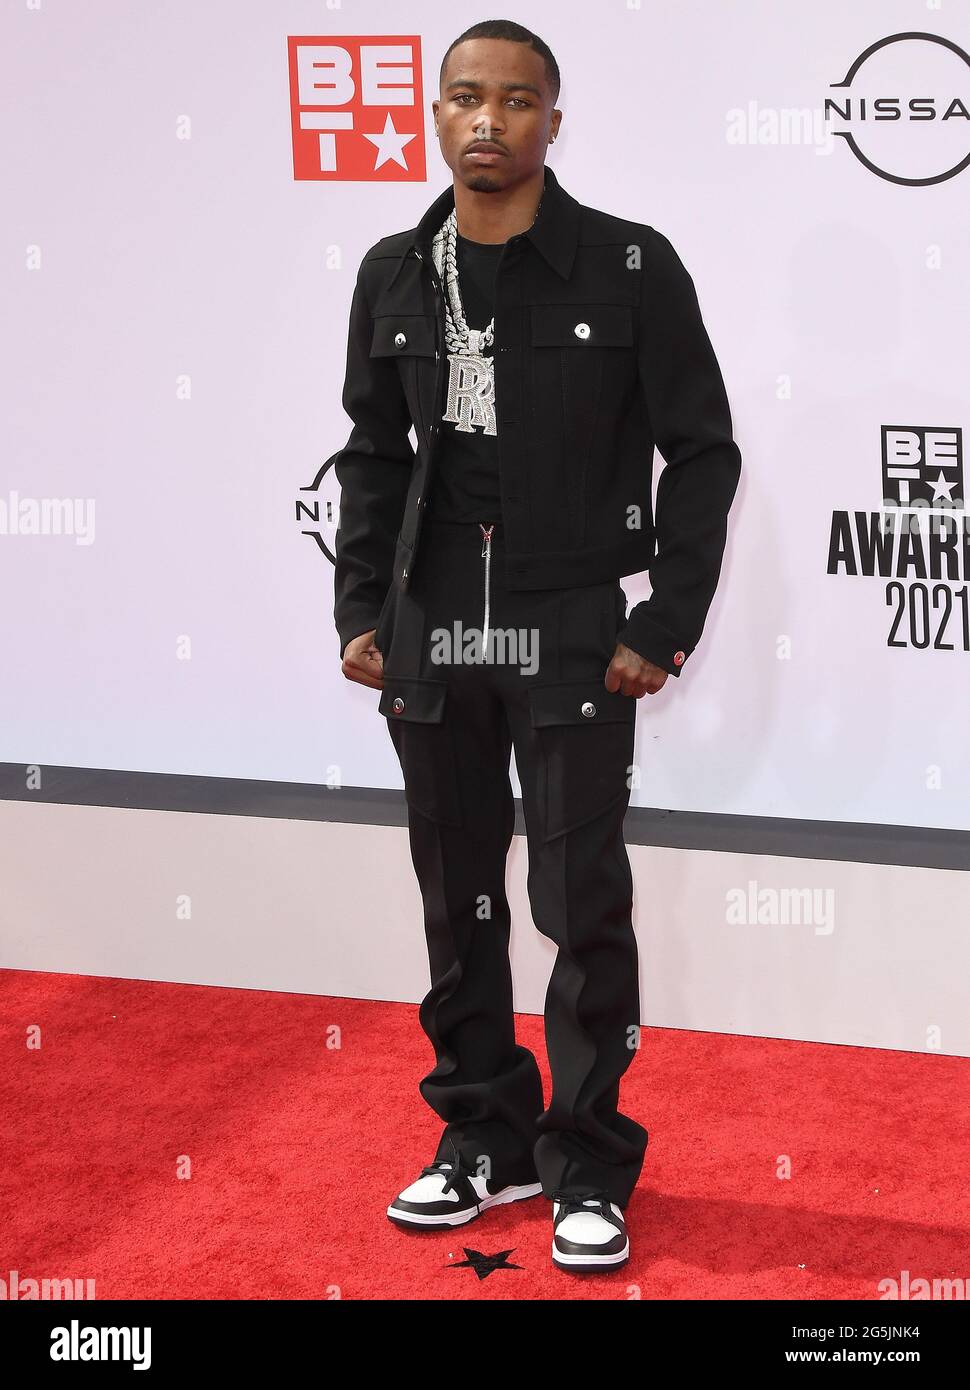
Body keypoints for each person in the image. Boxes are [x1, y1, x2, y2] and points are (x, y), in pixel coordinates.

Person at [332, 18, 741, 1273]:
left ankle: (586, 1162)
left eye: (517, 100)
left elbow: (703, 451)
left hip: (572, 623)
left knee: (578, 903)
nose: (488, 120)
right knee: (457, 903)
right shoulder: (395, 269)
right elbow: (370, 452)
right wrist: (361, 612)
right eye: (464, 97)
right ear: (436, 116)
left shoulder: (627, 264)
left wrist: (661, 622)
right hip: (433, 620)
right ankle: (482, 1137)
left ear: (553, 122)